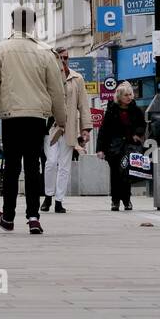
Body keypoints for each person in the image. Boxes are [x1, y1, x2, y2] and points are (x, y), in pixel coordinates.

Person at [0, 5, 67, 234]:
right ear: (33, 25)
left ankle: (8, 217)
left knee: (11, 167)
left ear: (11, 24)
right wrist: (61, 119)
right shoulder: (46, 53)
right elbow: (57, 90)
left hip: (11, 117)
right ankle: (33, 217)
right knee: (32, 166)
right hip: (36, 117)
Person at [41, 48, 93, 214]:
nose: (64, 61)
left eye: (66, 58)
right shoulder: (46, 77)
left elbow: (83, 105)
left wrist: (85, 128)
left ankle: (58, 200)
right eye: (61, 58)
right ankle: (48, 194)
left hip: (69, 127)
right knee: (50, 162)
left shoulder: (77, 78)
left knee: (64, 165)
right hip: (52, 127)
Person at [97, 82, 145, 212]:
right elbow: (104, 130)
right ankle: (115, 201)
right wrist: (100, 149)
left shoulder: (135, 109)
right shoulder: (112, 110)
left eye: (130, 94)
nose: (129, 97)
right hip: (114, 148)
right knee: (115, 175)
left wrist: (137, 134)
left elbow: (142, 124)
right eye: (126, 95)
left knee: (126, 174)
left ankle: (126, 200)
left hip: (129, 147)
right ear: (119, 96)